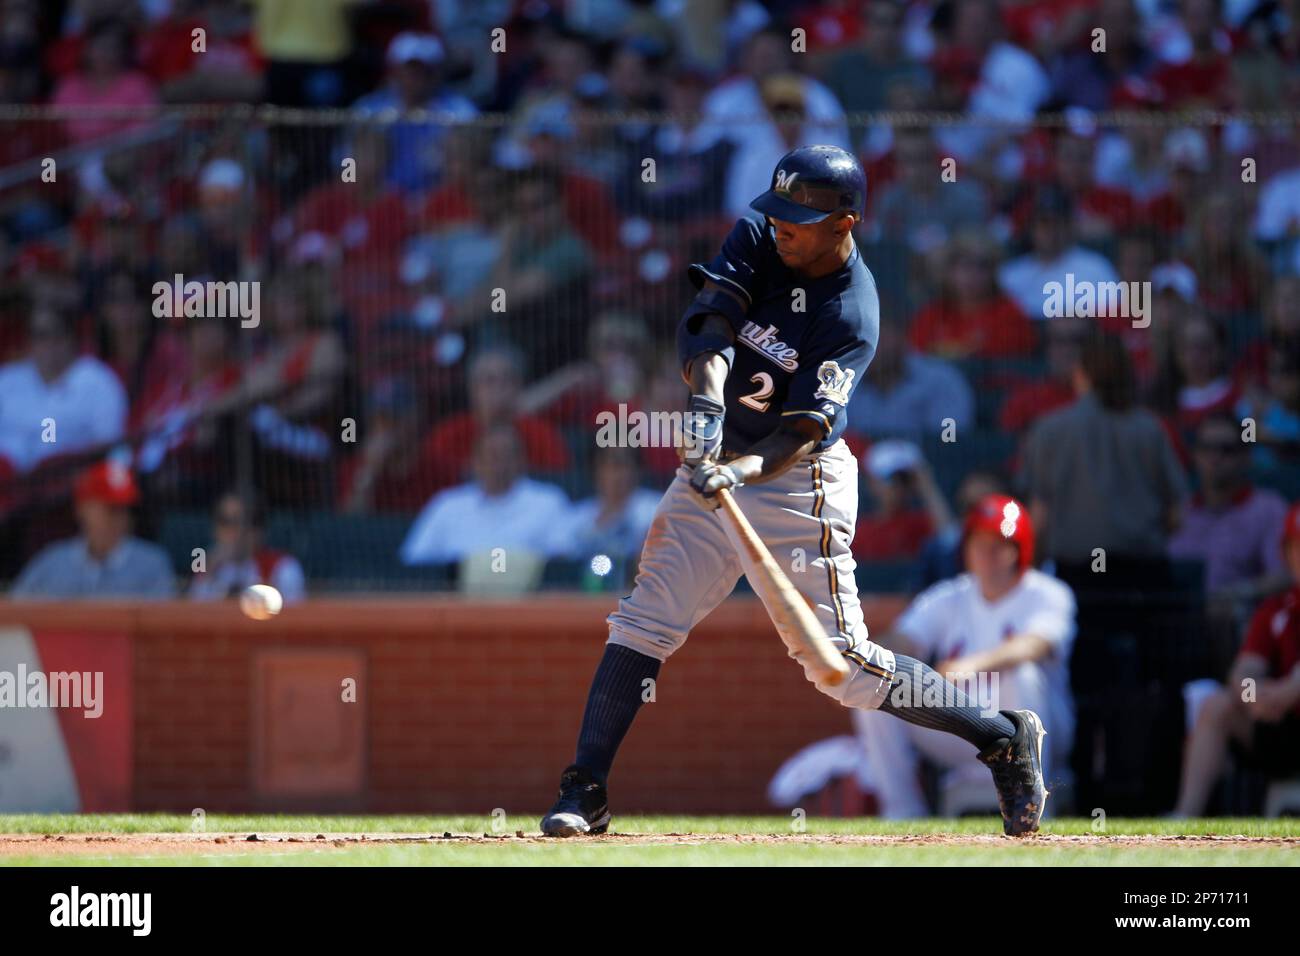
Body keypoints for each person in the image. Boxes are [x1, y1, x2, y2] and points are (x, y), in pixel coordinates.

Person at [539, 146, 1048, 839]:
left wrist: (741, 472)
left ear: (846, 222)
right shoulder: (762, 228)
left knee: (841, 667)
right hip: (719, 456)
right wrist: (709, 411)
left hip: (794, 481)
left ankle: (999, 734)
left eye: (801, 220)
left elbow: (805, 431)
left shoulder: (852, 314)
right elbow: (710, 320)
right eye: (780, 212)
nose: (782, 227)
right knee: (645, 618)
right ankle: (586, 787)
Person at [855, 495, 1077, 818]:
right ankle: (902, 814)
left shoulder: (1048, 592)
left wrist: (970, 666)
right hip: (963, 726)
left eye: (999, 544)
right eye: (979, 542)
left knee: (1022, 674)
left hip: (1037, 729)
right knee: (875, 690)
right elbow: (902, 639)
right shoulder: (950, 595)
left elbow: (1034, 645)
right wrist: (857, 665)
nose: (987, 554)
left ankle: (1032, 800)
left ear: (1019, 550)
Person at [1171, 503, 1300, 817]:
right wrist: (1258, 696)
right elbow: (1242, 675)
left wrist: (1290, 690)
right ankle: (1184, 817)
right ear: (1286, 554)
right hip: (1287, 728)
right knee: (1215, 704)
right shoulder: (1277, 609)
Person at [1021, 330, 1187, 566]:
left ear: (1081, 374)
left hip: (1076, 574)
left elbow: (1039, 517)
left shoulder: (1049, 430)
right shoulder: (1151, 429)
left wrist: (1031, 572)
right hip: (1144, 575)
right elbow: (1176, 515)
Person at [400, 426, 574, 567]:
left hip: (529, 604)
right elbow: (414, 558)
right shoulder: (447, 504)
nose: (498, 463)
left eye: (506, 454)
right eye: (490, 455)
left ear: (522, 460)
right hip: (458, 603)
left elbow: (564, 557)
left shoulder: (548, 501)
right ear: (475, 462)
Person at [1168, 414, 1290, 599]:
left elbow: (1286, 575)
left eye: (1227, 450)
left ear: (1246, 456)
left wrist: (1241, 593)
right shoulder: (1181, 511)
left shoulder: (1269, 508)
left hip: (1240, 621)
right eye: (1206, 448)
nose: (1215, 457)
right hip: (1178, 618)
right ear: (1195, 455)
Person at [11, 461, 175, 599]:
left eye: (125, 509)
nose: (120, 517)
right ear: (83, 507)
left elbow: (162, 631)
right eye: (110, 508)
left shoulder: (151, 564)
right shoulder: (52, 562)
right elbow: (14, 616)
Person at [0, 307, 127, 475]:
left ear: (71, 338)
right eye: (41, 335)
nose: (49, 343)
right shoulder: (8, 379)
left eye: (57, 334)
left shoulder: (97, 380)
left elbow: (111, 444)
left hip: (69, 482)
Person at [188, 489, 305, 602]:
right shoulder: (207, 565)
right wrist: (209, 572)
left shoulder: (283, 567)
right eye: (225, 521)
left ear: (259, 529)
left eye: (241, 522)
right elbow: (193, 615)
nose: (233, 531)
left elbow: (292, 618)